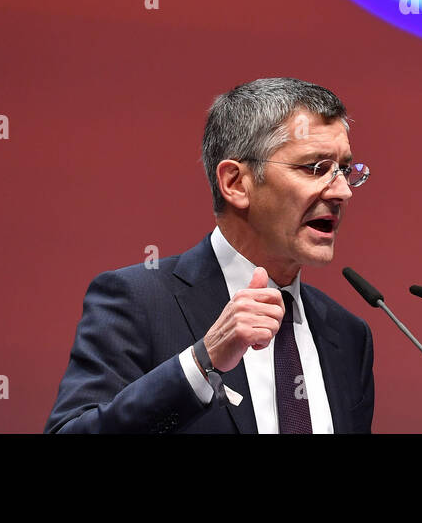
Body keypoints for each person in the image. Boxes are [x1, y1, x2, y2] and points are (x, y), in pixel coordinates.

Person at [43, 78, 374, 433]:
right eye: (316, 168)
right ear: (235, 183)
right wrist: (201, 362)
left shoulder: (347, 336)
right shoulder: (138, 301)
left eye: (345, 170)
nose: (342, 192)